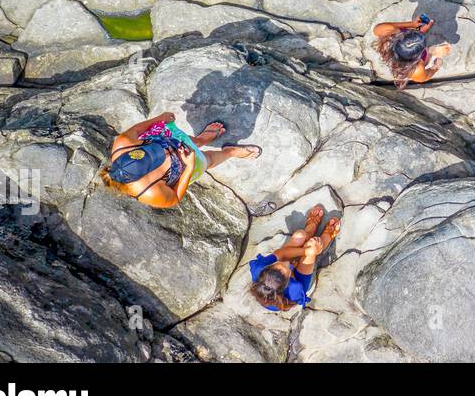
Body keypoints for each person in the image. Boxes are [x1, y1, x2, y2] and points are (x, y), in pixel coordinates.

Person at [100, 112, 261, 208]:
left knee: (189, 142)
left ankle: (200, 140)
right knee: (207, 160)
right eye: (159, 160)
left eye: (152, 152)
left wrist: (160, 118)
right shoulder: (149, 192)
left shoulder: (123, 143)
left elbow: (136, 129)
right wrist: (189, 166)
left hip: (166, 138)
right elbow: (175, 198)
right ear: (145, 175)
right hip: (182, 167)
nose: (168, 153)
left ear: (132, 152)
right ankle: (230, 152)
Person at [247, 204, 342, 311]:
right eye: (287, 268)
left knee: (300, 236)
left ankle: (310, 228)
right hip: (300, 280)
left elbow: (282, 254)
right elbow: (293, 266)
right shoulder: (294, 290)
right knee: (312, 247)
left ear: (267, 267)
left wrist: (305, 250)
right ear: (289, 279)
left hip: (278, 278)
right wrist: (311, 251)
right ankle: (326, 238)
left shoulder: (259, 267)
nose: (286, 263)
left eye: (278, 265)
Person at [372, 13, 451, 88]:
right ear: (417, 56)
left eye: (412, 33)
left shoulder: (387, 32)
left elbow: (376, 29)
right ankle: (430, 52)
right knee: (428, 53)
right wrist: (436, 66)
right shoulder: (416, 69)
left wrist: (412, 25)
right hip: (414, 61)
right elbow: (423, 78)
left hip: (395, 48)